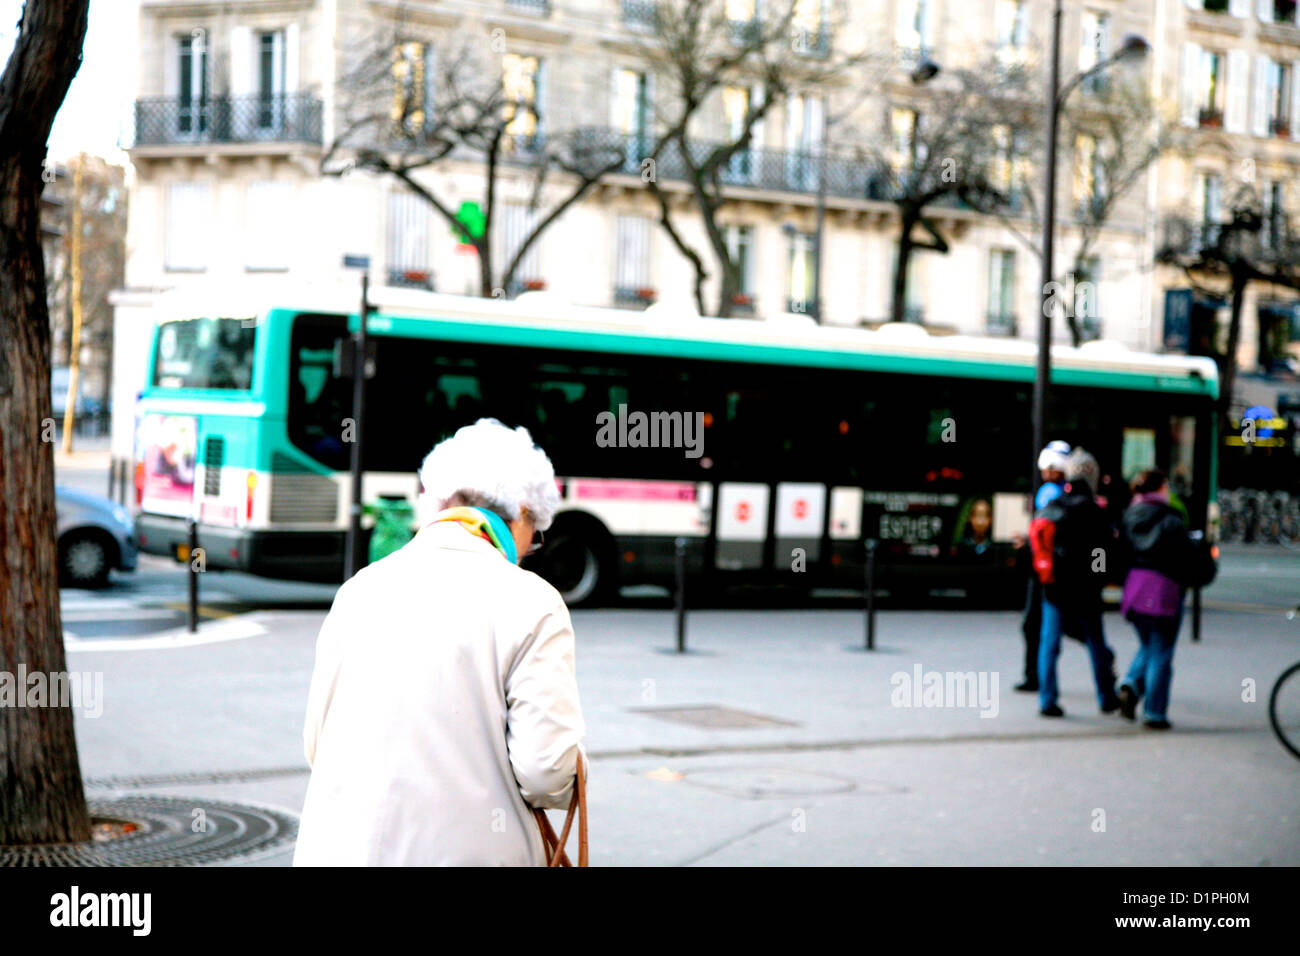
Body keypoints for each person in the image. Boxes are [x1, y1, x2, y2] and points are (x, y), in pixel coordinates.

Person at [293, 418, 585, 865]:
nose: (529, 549)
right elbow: (546, 773)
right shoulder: (533, 602)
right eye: (536, 535)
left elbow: (317, 742)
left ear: (441, 499)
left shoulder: (359, 589)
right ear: (523, 513)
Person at [1031, 448, 1121, 718]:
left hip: (1056, 586)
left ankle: (1047, 700)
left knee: (1049, 644)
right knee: (1096, 641)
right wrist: (1099, 578)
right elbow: (1102, 553)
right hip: (1087, 589)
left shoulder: (1055, 505)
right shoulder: (1096, 511)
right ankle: (1106, 697)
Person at [1117, 469, 1196, 730]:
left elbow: (1119, 553)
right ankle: (1154, 711)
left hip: (1135, 588)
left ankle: (1130, 682)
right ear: (1160, 488)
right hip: (1164, 590)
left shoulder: (1129, 515)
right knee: (1161, 651)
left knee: (1149, 645)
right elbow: (1186, 557)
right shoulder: (1171, 519)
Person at [1015, 440, 1072, 692]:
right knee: (1046, 625)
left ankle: (1035, 678)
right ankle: (1034, 676)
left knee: (1039, 625)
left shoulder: (1051, 494)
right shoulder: (1060, 492)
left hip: (1045, 567)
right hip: (1048, 566)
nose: (1045, 474)